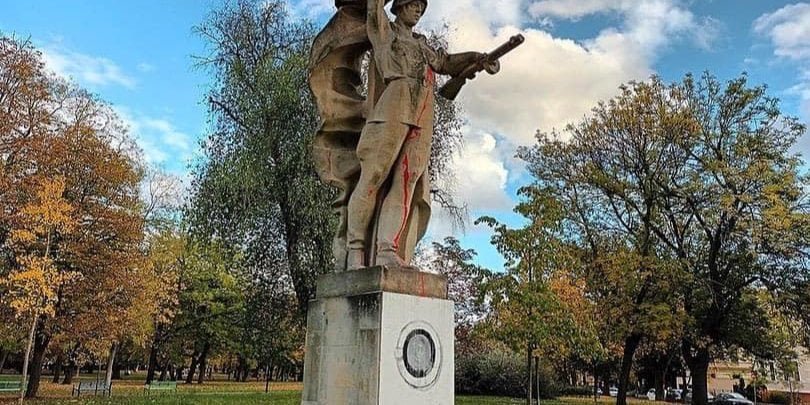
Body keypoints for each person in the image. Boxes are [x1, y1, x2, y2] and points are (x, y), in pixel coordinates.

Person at [344, 0, 498, 270]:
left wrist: (477, 58)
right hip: (394, 103)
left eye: (422, 7)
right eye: (413, 4)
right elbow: (374, 7)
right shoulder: (385, 31)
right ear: (399, 6)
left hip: (423, 110)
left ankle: (387, 249)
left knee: (407, 180)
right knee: (374, 176)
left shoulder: (422, 43)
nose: (418, 10)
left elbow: (445, 63)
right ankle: (355, 250)